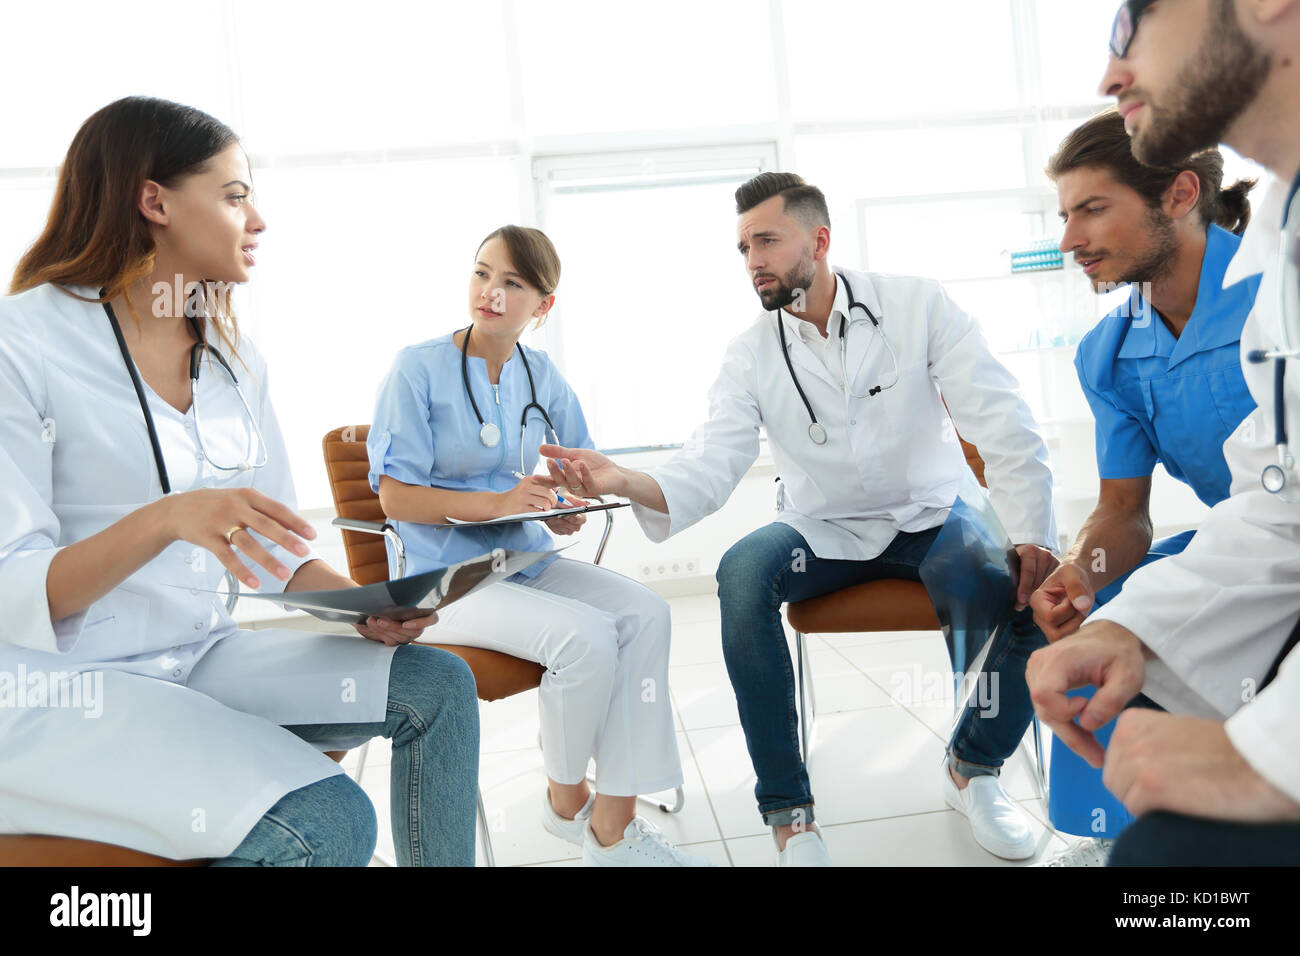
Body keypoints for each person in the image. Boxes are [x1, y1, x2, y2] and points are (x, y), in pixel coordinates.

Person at [0, 96, 481, 867]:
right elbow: (13, 591)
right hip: (59, 685)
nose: (257, 220)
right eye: (233, 195)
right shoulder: (20, 344)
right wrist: (166, 519)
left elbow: (270, 538)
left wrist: (355, 607)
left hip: (198, 654)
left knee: (438, 689)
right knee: (326, 823)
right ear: (153, 200)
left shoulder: (233, 357)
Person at [538, 172, 1060, 866]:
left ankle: (975, 765)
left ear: (819, 240)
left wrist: (1034, 533)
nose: (752, 260)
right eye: (743, 247)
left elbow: (1001, 418)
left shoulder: (917, 305)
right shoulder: (750, 352)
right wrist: (624, 478)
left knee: (1043, 589)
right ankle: (790, 814)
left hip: (932, 515)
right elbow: (710, 463)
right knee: (743, 572)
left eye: (767, 240)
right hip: (825, 531)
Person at [1027, 0, 1300, 865]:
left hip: (1260, 560)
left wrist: (1269, 759)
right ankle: (1091, 825)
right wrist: (1097, 590)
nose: (1070, 240)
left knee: (1168, 878)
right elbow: (1261, 506)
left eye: (1129, 28)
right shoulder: (1112, 351)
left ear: (1182, 194)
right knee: (1088, 632)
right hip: (1252, 545)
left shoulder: (1260, 284)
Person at [366, 225, 705, 867]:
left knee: (647, 614)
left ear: (542, 306)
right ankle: (567, 798)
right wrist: (498, 503)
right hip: (443, 581)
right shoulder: (418, 368)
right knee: (586, 638)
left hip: (522, 562)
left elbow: (569, 469)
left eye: (512, 283)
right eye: (482, 273)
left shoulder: (540, 373)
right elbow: (395, 499)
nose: (490, 292)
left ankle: (614, 823)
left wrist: (566, 508)